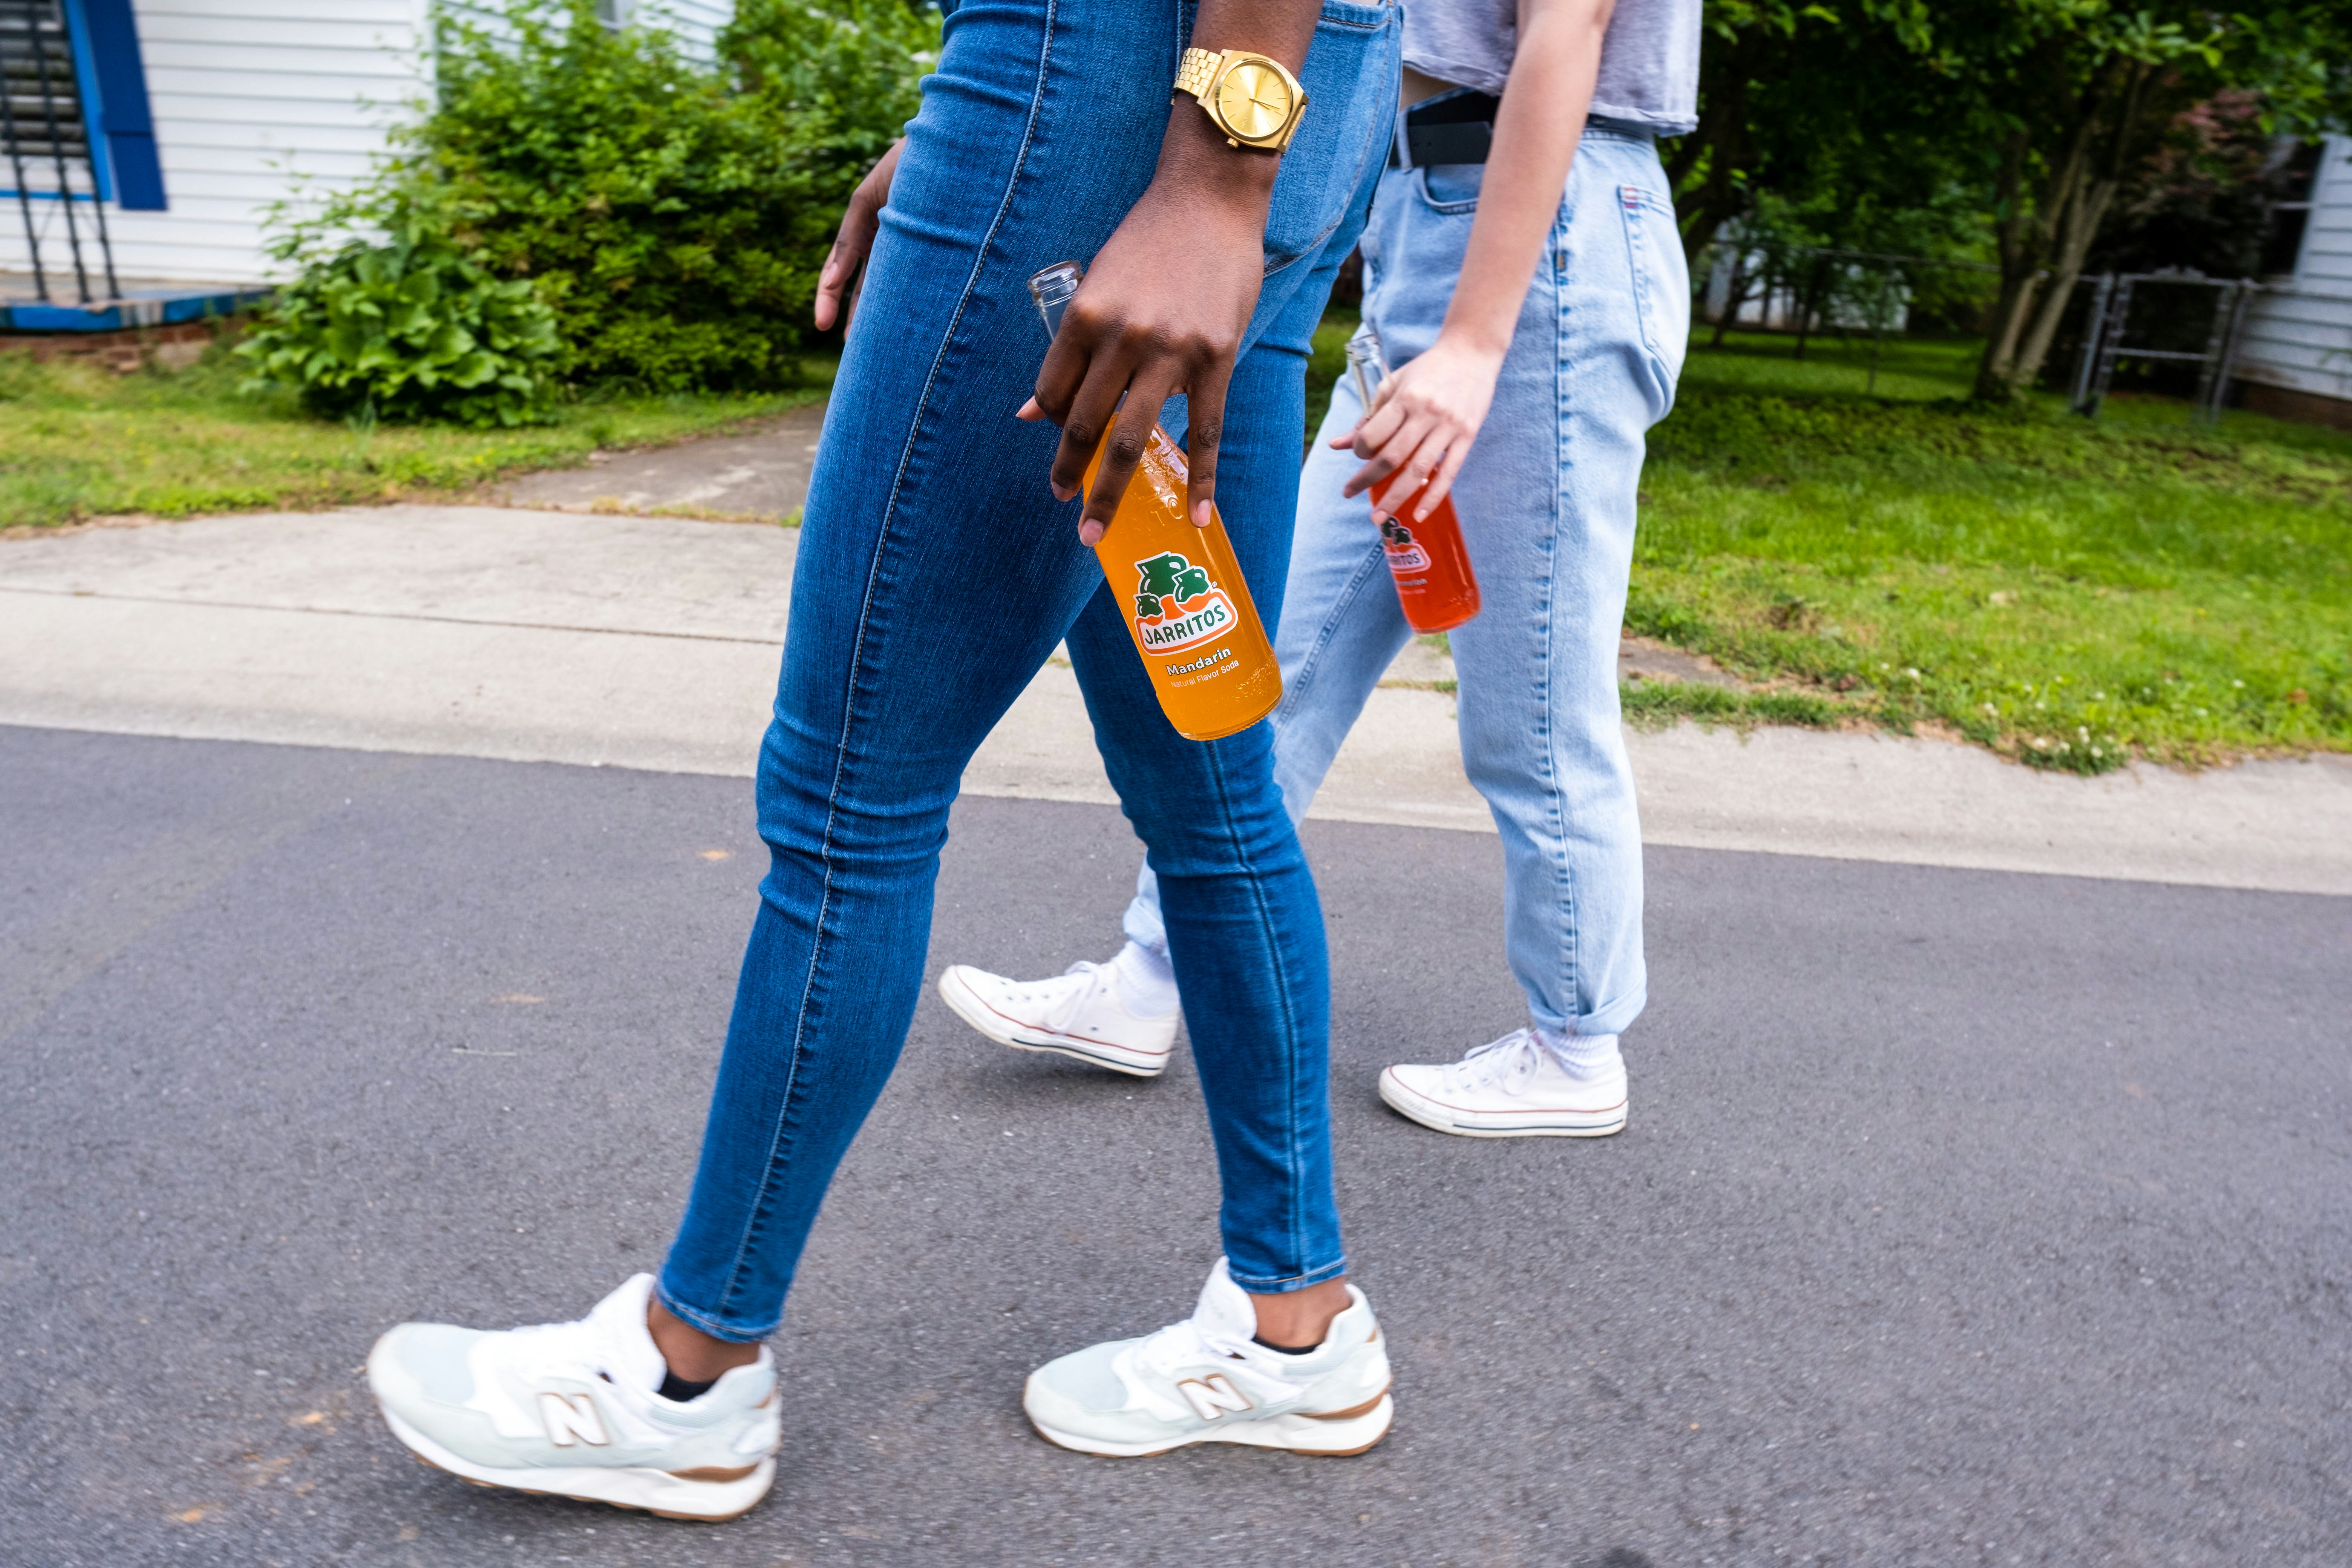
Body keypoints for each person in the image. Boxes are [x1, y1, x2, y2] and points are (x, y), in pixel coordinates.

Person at [362, 0, 1403, 1521]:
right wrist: (1078, 142)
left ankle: (685, 1375)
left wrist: (1188, 171)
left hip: (1147, 89)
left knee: (855, 793)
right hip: (1274, 82)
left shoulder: (1179, 133)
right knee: (1213, 780)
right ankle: (1295, 1321)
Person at [940, 0, 1698, 1138]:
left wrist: (1478, 341)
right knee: (1272, 661)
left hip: (1539, 248)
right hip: (1432, 226)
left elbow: (1568, 29)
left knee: (1532, 700)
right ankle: (1153, 980)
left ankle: (1576, 1043)